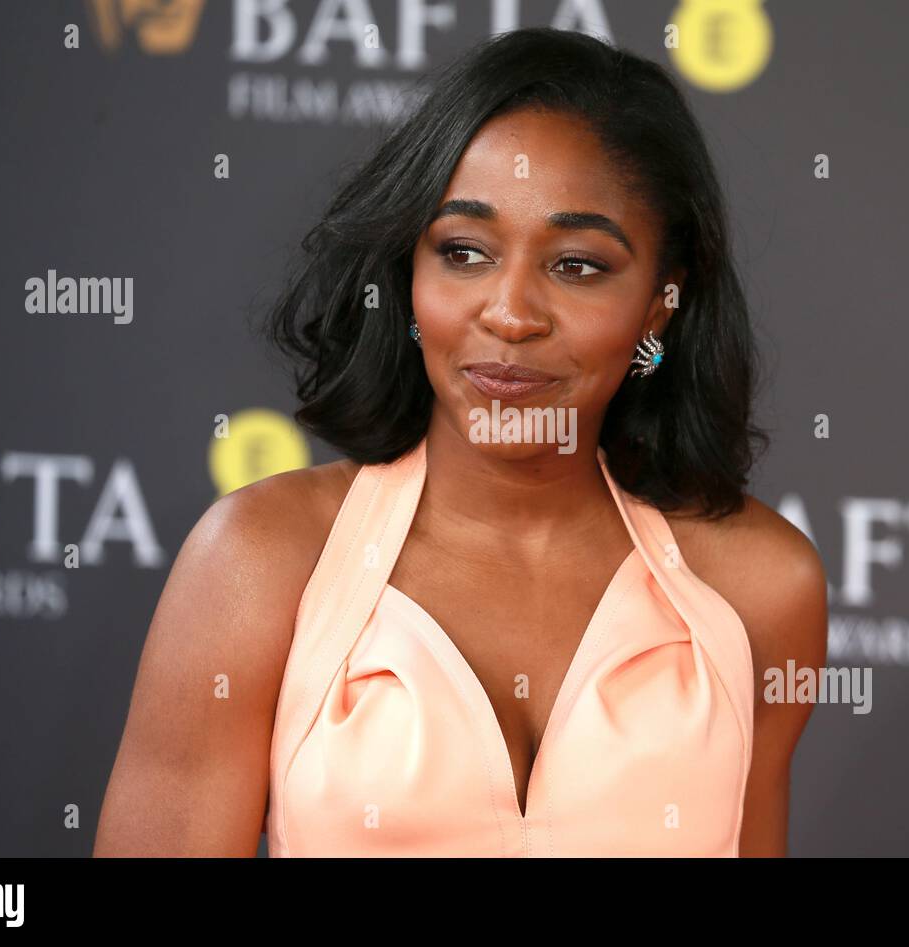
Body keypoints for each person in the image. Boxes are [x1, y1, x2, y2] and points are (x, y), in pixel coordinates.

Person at [94, 26, 826, 857]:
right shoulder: (261, 562)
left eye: (578, 265)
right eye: (465, 251)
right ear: (408, 272)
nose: (511, 313)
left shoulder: (759, 590)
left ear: (661, 302)